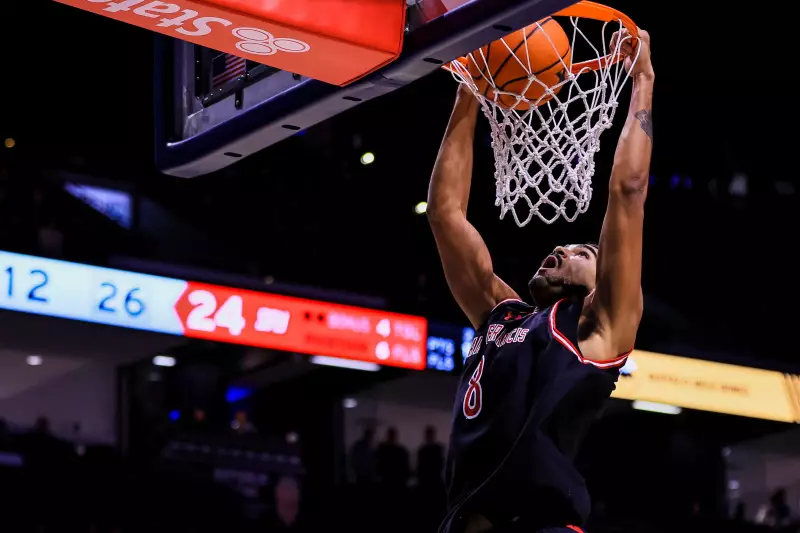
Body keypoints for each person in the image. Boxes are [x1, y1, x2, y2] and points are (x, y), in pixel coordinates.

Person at [427, 28, 653, 533]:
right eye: (563, 245)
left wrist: (643, 78)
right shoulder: (500, 312)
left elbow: (629, 189)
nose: (562, 249)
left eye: (582, 252)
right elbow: (445, 215)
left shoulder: (598, 326)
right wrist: (471, 88)